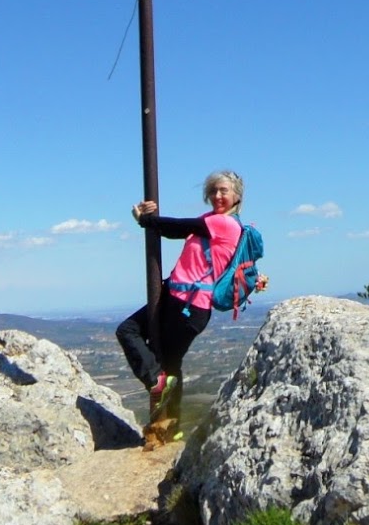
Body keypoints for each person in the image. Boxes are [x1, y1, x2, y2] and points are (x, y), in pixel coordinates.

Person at [115, 169, 269, 422]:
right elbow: (171, 229)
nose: (217, 195)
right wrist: (152, 218)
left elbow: (176, 228)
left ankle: (156, 383)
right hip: (184, 302)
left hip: (186, 304)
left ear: (237, 196)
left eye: (224, 191)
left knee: (129, 331)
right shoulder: (213, 221)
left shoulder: (224, 223)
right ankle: (171, 425)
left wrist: (144, 219)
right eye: (213, 191)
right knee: (171, 365)